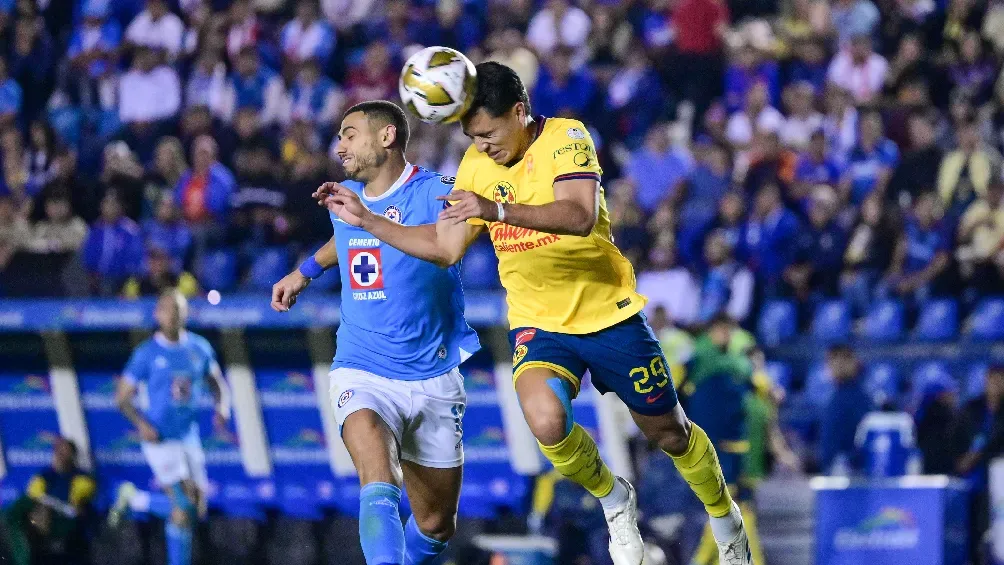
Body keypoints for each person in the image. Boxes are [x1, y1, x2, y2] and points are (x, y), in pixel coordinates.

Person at [320, 62, 754, 565]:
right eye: (471, 136)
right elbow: (444, 248)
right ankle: (615, 500)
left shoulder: (566, 137)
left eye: (488, 133)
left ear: (520, 112)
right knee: (547, 423)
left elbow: (578, 214)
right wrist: (370, 221)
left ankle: (725, 517)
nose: (482, 145)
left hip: (606, 315)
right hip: (540, 323)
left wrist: (497, 210)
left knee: (669, 434)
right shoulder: (476, 166)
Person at [270, 101, 481, 565]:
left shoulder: (438, 192)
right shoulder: (345, 195)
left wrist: (367, 219)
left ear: (386, 137)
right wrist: (304, 272)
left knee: (435, 525)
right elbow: (343, 240)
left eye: (349, 134)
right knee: (378, 475)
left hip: (433, 375)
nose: (338, 145)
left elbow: (446, 251)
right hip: (362, 369)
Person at [107, 290, 232, 565]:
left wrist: (222, 408)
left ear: (186, 313)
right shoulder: (147, 354)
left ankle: (134, 499)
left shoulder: (199, 348)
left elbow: (217, 384)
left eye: (178, 309)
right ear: (157, 314)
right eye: (167, 309)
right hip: (159, 439)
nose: (173, 314)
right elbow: (122, 397)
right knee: (182, 506)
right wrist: (141, 424)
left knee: (196, 508)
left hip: (189, 437)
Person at [2, 438, 96, 565]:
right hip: (40, 530)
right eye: (57, 451)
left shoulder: (82, 478)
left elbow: (78, 502)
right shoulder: (45, 476)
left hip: (67, 528)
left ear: (73, 455)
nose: (59, 455)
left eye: (64, 451)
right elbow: (34, 495)